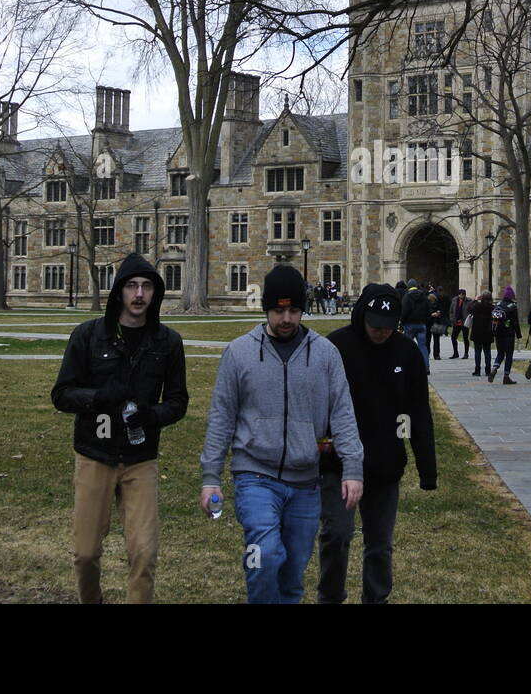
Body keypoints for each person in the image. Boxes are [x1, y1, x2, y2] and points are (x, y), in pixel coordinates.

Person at [201, 264, 364, 604]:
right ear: (267, 310)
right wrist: (210, 477)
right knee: (264, 554)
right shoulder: (239, 353)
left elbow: (342, 413)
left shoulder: (325, 354)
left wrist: (352, 468)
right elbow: (222, 417)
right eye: (278, 311)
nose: (286, 318)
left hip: (306, 482)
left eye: (293, 310)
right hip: (255, 476)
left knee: (292, 575)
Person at [50, 252, 188, 604]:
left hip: (140, 458)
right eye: (131, 286)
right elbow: (62, 394)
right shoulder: (88, 335)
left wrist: (151, 415)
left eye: (146, 287)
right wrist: (97, 397)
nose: (139, 294)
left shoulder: (168, 343)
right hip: (95, 455)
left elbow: (177, 402)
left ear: (155, 293)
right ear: (118, 292)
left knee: (143, 554)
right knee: (85, 553)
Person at [319, 283, 437, 603]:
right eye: (375, 325)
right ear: (362, 316)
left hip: (385, 464)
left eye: (388, 327)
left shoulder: (406, 352)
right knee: (337, 535)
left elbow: (417, 412)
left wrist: (427, 468)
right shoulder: (336, 347)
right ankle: (330, 596)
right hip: (339, 465)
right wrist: (321, 444)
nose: (381, 332)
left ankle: (376, 597)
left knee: (380, 544)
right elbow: (316, 405)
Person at [490, 285, 522, 384]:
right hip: (509, 334)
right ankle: (506, 376)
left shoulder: (498, 304)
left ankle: (495, 368)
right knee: (508, 355)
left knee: (500, 353)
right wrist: (519, 334)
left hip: (498, 333)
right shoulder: (512, 307)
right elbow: (515, 322)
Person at [399, 278, 432, 372]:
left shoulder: (407, 297)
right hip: (421, 324)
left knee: (408, 346)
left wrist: (402, 322)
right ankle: (426, 366)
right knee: (423, 346)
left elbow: (404, 311)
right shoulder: (423, 296)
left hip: (409, 325)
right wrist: (425, 320)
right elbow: (428, 311)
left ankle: (408, 366)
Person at [468, 291, 495, 379]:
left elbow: (469, 308)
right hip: (488, 332)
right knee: (487, 351)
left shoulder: (476, 306)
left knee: (477, 351)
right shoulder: (492, 307)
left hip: (477, 332)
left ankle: (477, 370)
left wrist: (475, 300)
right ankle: (488, 370)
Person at [449, 288, 469, 359]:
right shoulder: (454, 300)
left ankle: (466, 354)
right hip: (456, 322)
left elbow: (470, 311)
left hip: (465, 323)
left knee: (465, 338)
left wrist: (468, 319)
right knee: (453, 338)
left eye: (463, 295)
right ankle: (455, 353)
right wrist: (452, 319)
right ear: (458, 294)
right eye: (460, 294)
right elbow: (451, 311)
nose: (462, 296)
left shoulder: (468, 301)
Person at [427, 290, 447, 361]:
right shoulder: (435, 304)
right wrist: (433, 314)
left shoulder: (428, 305)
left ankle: (429, 354)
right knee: (435, 340)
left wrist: (438, 313)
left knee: (429, 340)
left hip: (431, 323)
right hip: (434, 323)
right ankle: (436, 355)